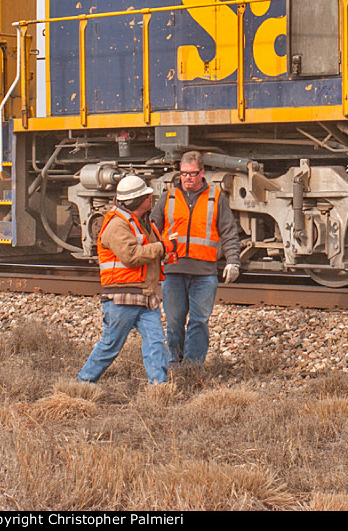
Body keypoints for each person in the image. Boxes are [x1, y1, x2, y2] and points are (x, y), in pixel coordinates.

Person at [78, 174, 177, 385]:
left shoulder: (139, 223)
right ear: (138, 201)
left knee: (156, 343)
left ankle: (159, 388)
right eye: (147, 196)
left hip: (144, 294)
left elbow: (146, 252)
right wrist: (163, 248)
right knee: (110, 345)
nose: (151, 199)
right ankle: (82, 383)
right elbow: (131, 257)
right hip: (121, 297)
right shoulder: (117, 226)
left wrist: (163, 252)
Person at [153, 151, 242, 366]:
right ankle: (174, 363)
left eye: (192, 173)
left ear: (202, 173)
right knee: (174, 322)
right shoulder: (168, 197)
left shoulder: (216, 197)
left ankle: (192, 368)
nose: (188, 178)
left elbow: (229, 231)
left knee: (199, 322)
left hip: (204, 273)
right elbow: (152, 229)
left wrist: (233, 261)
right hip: (173, 270)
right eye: (184, 173)